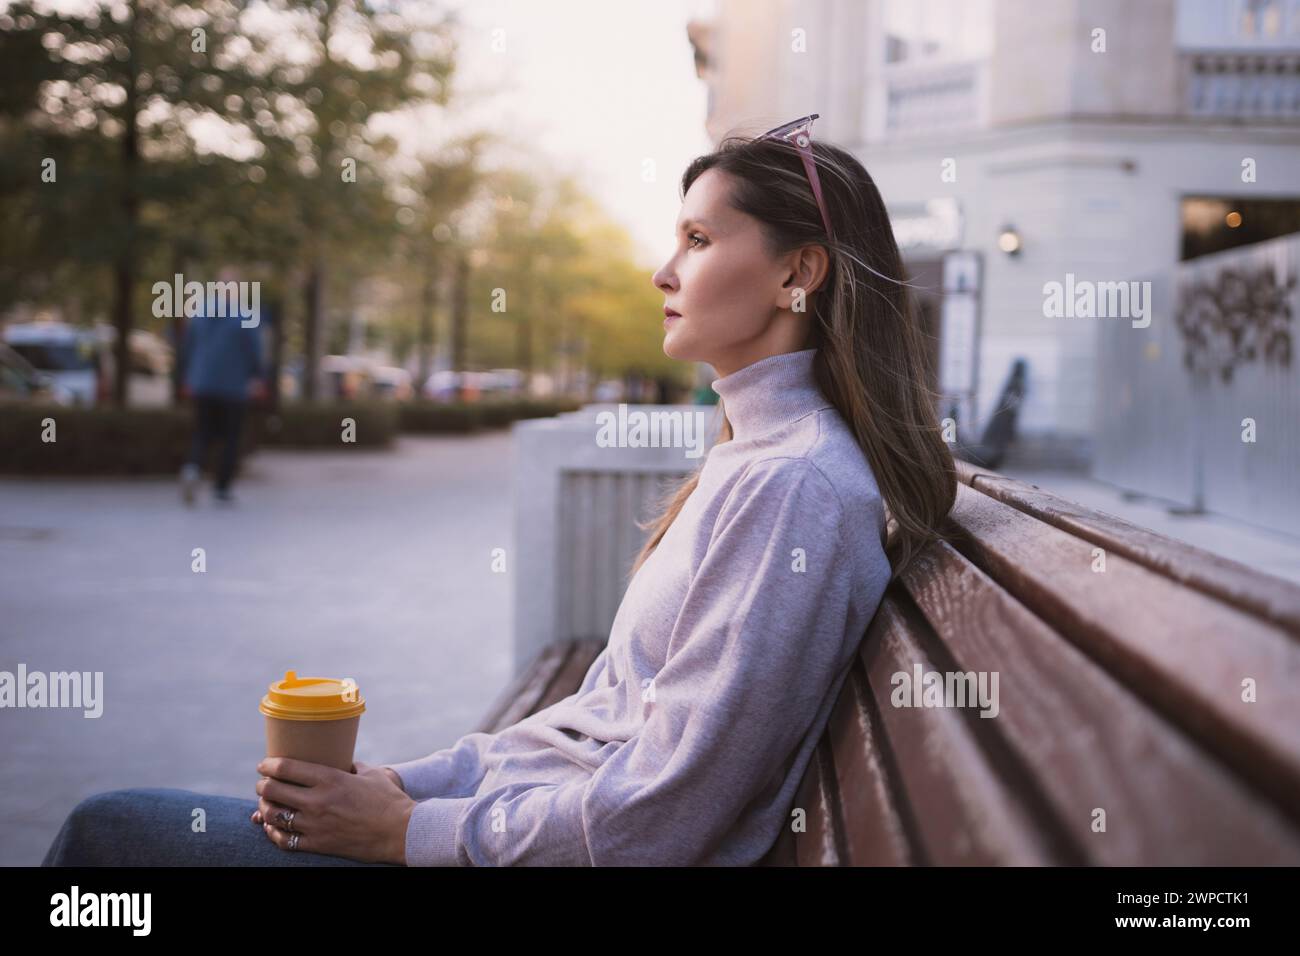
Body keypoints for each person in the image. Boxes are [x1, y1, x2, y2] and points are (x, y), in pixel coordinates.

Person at [42, 115, 956, 867]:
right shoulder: (757, 457)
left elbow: (665, 817)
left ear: (798, 273)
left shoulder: (791, 484)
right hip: (522, 826)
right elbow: (606, 719)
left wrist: (406, 831)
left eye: (700, 239)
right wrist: (416, 782)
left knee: (109, 832)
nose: (663, 271)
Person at [177, 267, 267, 506]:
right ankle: (221, 487)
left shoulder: (199, 312)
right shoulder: (245, 315)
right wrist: (257, 376)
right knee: (231, 438)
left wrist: (188, 376)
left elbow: (188, 347)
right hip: (234, 387)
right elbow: (255, 353)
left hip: (202, 383)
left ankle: (193, 468)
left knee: (202, 433)